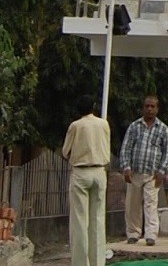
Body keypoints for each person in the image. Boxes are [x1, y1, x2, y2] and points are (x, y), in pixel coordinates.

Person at [61, 94, 111, 266]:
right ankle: (98, 263)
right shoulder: (103, 124)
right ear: (94, 106)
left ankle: (81, 263)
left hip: (81, 172)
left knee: (80, 221)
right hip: (99, 171)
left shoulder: (75, 126)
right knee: (97, 219)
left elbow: (65, 151)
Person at [119, 94, 168, 246]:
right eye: (147, 106)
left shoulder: (162, 129)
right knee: (132, 205)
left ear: (157, 109)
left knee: (150, 204)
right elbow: (126, 147)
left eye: (152, 106)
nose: (149, 109)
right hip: (135, 172)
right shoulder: (135, 126)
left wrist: (162, 171)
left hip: (152, 174)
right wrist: (126, 167)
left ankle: (151, 235)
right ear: (143, 108)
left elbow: (167, 151)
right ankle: (133, 233)